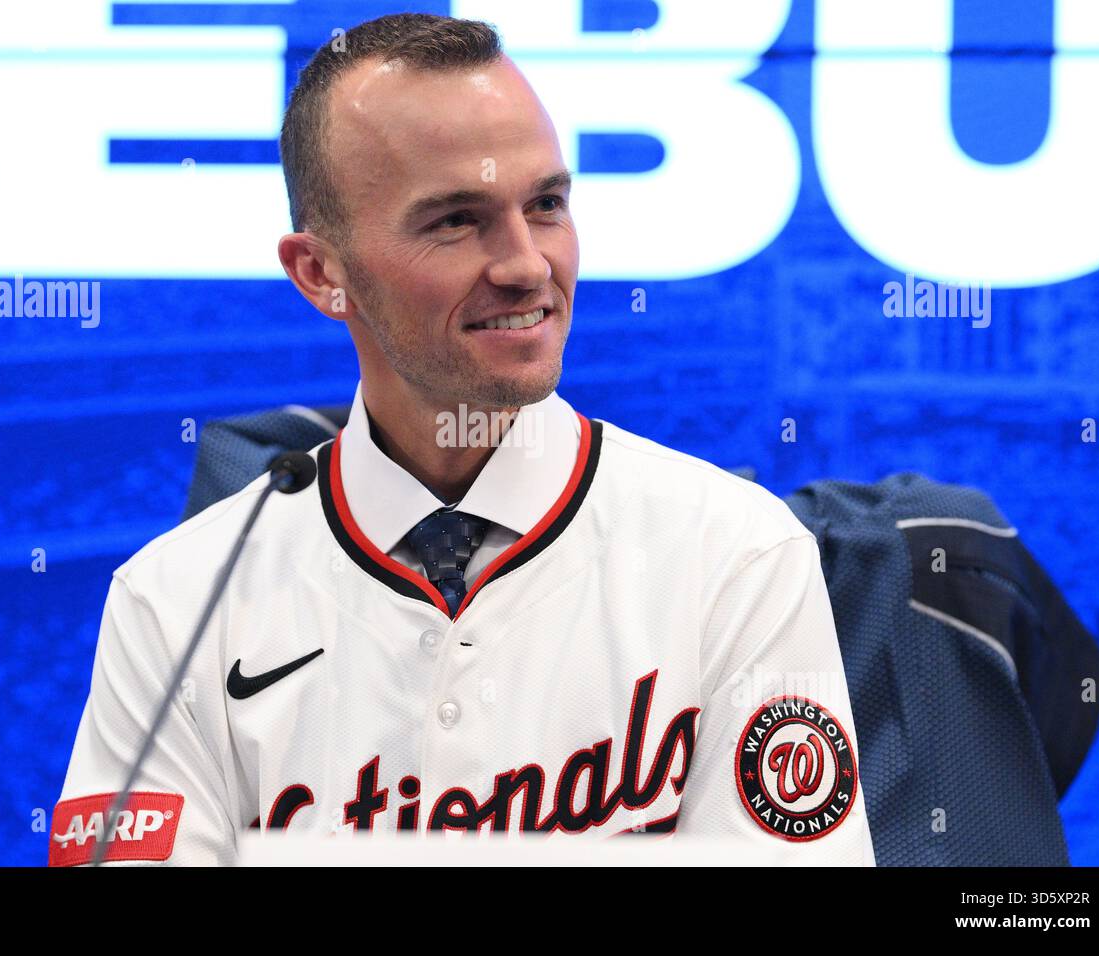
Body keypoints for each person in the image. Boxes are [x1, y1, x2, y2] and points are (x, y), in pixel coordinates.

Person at [51, 12, 874, 865]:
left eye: (546, 204)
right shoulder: (175, 601)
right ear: (321, 273)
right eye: (455, 220)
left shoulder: (737, 553)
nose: (526, 263)